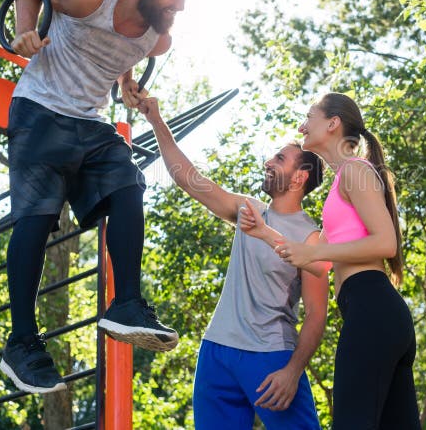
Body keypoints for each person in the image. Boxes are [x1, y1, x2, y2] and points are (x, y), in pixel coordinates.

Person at [0, 0, 199, 394]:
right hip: (39, 109)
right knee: (36, 219)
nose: (180, 7)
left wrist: (127, 85)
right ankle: (22, 343)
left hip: (89, 123)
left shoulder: (159, 37)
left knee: (129, 183)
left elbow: (121, 55)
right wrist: (25, 30)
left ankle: (126, 303)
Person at [137, 95, 330, 429]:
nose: (269, 161)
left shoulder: (312, 238)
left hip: (271, 358)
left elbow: (317, 314)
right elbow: (189, 178)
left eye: (280, 158)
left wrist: (292, 371)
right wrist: (155, 118)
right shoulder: (248, 210)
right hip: (217, 352)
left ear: (300, 177)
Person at [238, 93, 421, 429]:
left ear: (333, 124)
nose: (302, 125)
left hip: (372, 310)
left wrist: (316, 251)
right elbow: (317, 264)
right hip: (373, 314)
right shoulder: (341, 185)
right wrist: (265, 233)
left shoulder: (355, 170)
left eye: (309, 117)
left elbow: (385, 242)